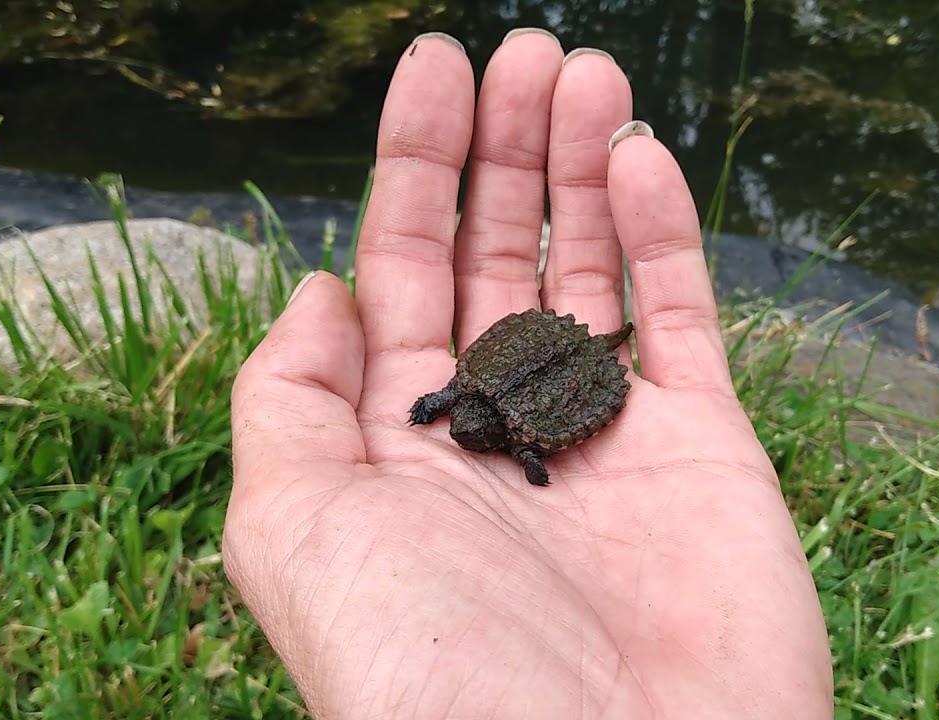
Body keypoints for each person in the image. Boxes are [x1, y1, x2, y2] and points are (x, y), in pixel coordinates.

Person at [222, 29, 833, 718]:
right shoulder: (484, 407)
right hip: (549, 362)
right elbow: (472, 418)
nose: (457, 426)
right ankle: (611, 339)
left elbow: (487, 428)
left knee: (604, 349)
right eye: (461, 425)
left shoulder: (501, 419)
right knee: (588, 352)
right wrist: (459, 423)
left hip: (567, 362)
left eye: (459, 424)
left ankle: (614, 339)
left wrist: (487, 437)